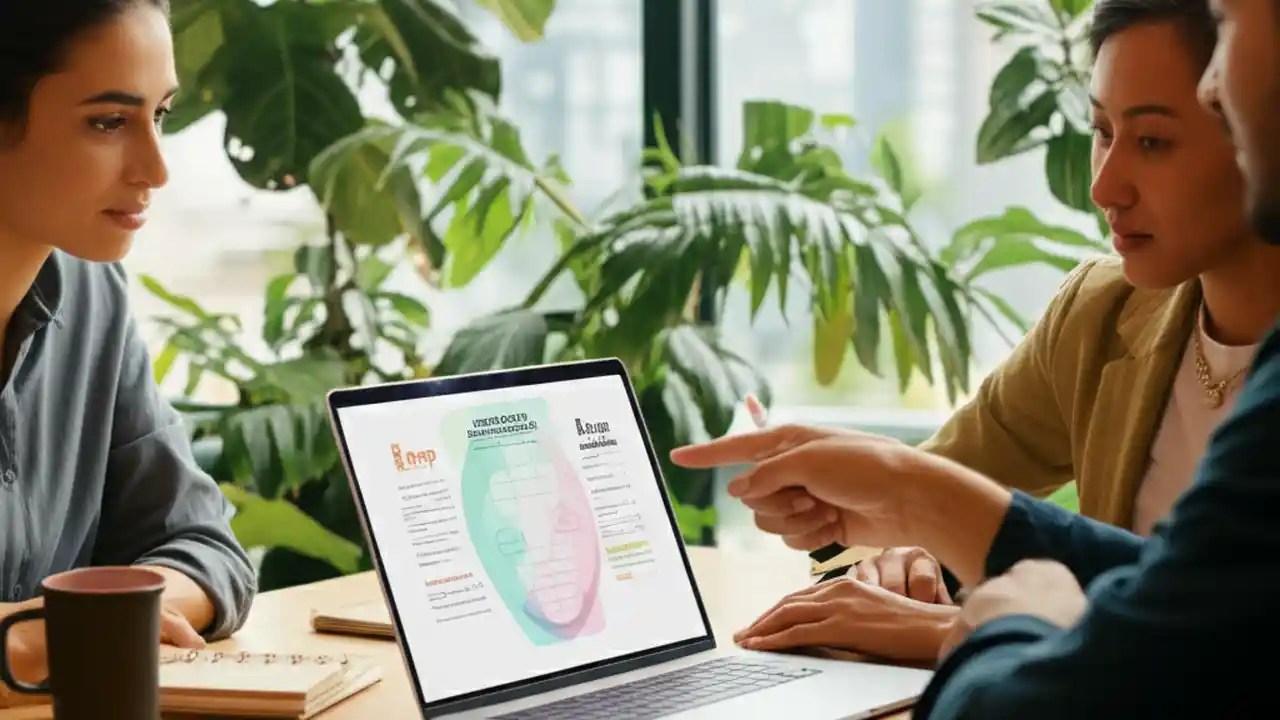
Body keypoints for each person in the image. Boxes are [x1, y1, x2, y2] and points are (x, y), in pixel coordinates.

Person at [672, 0, 1280, 713]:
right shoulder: (1104, 316)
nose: (1103, 188)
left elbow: (1174, 651)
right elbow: (1186, 595)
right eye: (1100, 131)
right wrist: (902, 513)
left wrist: (966, 629)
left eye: (1151, 141)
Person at [0, 0, 256, 695]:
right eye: (108, 122)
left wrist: (74, 624)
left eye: (161, 115)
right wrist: (32, 638)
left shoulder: (92, 297)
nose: (155, 168)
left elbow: (208, 551)